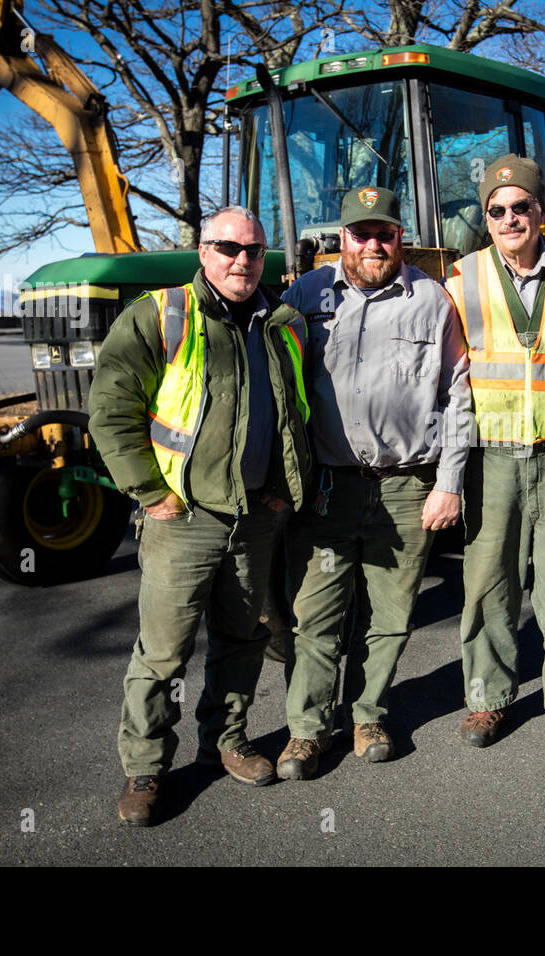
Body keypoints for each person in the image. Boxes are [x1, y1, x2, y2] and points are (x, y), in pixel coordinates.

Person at [89, 206, 312, 825]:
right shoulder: (163, 315)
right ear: (203, 252)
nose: (243, 260)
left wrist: (279, 490)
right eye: (229, 248)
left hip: (254, 515)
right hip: (181, 517)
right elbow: (111, 410)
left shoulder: (283, 324)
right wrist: (148, 492)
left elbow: (297, 414)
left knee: (243, 637)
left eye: (254, 251)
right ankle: (146, 768)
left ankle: (227, 742)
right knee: (163, 653)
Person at [275, 187, 471, 779]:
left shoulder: (432, 301)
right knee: (315, 616)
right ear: (343, 240)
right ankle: (307, 730)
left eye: (384, 233)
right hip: (327, 487)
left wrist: (449, 482)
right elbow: (277, 388)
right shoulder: (303, 297)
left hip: (406, 485)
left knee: (390, 614)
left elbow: (459, 394)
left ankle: (368, 714)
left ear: (399, 239)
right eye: (361, 234)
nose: (373, 244)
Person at [444, 154, 545, 756]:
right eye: (497, 210)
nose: (510, 218)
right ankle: (487, 701)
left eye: (521, 207)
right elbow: (453, 385)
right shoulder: (461, 279)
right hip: (493, 461)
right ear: (486, 219)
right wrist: (454, 472)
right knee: (490, 585)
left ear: (541, 212)